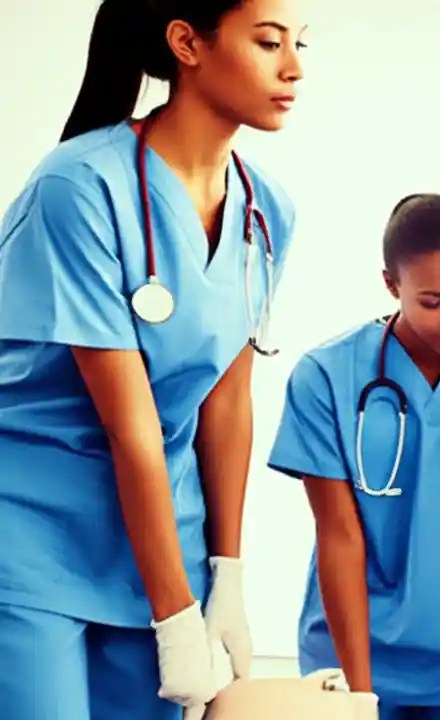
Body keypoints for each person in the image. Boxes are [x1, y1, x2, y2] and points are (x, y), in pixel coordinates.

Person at [0, 0, 304, 718]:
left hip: (165, 536)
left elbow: (227, 401)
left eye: (299, 44)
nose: (294, 68)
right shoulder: (79, 188)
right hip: (31, 535)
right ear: (186, 44)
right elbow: (130, 424)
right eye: (268, 42)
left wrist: (224, 574)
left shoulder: (267, 212)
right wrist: (175, 616)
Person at [267, 194, 440, 720]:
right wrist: (359, 695)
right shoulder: (327, 377)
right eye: (433, 301)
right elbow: (339, 538)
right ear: (393, 287)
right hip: (355, 655)